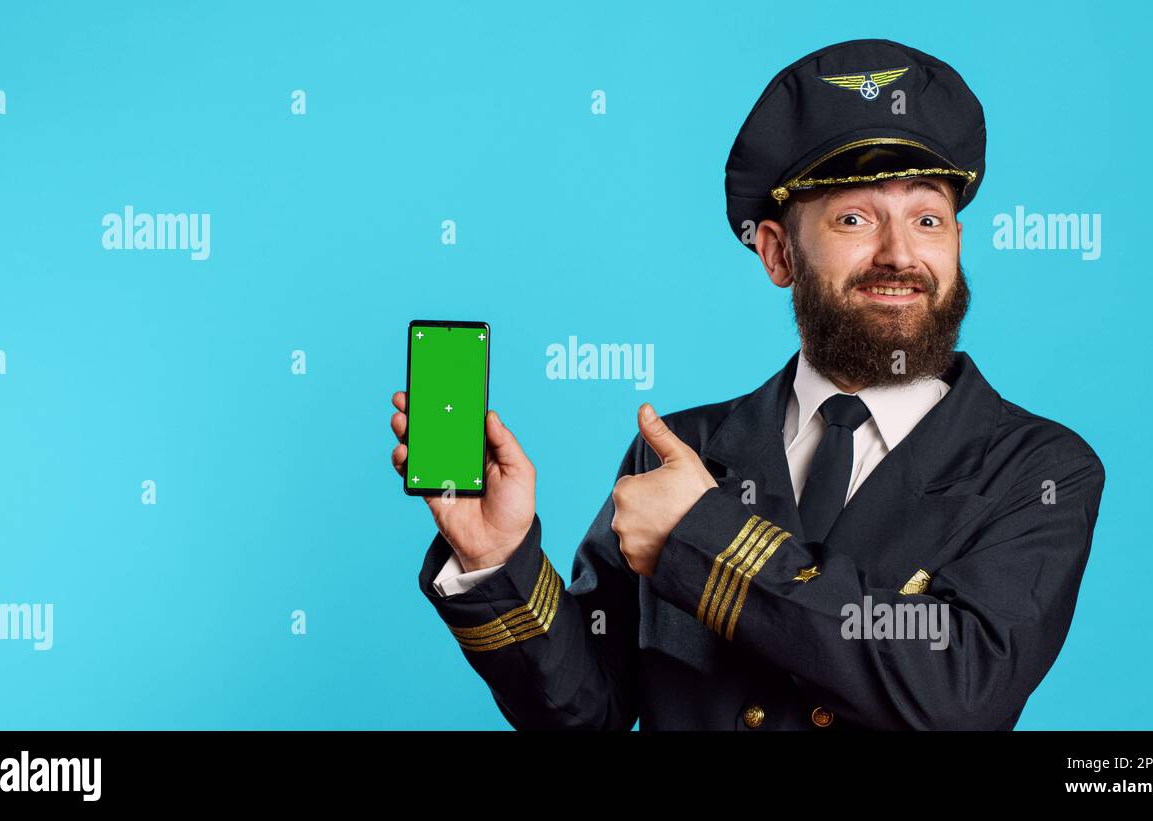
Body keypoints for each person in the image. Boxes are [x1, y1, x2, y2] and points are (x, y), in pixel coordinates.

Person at [390, 38, 1105, 730]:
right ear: (776, 252)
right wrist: (496, 559)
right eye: (854, 218)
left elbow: (959, 686)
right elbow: (586, 708)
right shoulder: (678, 452)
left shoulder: (1038, 470)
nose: (900, 254)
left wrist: (697, 536)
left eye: (928, 219)